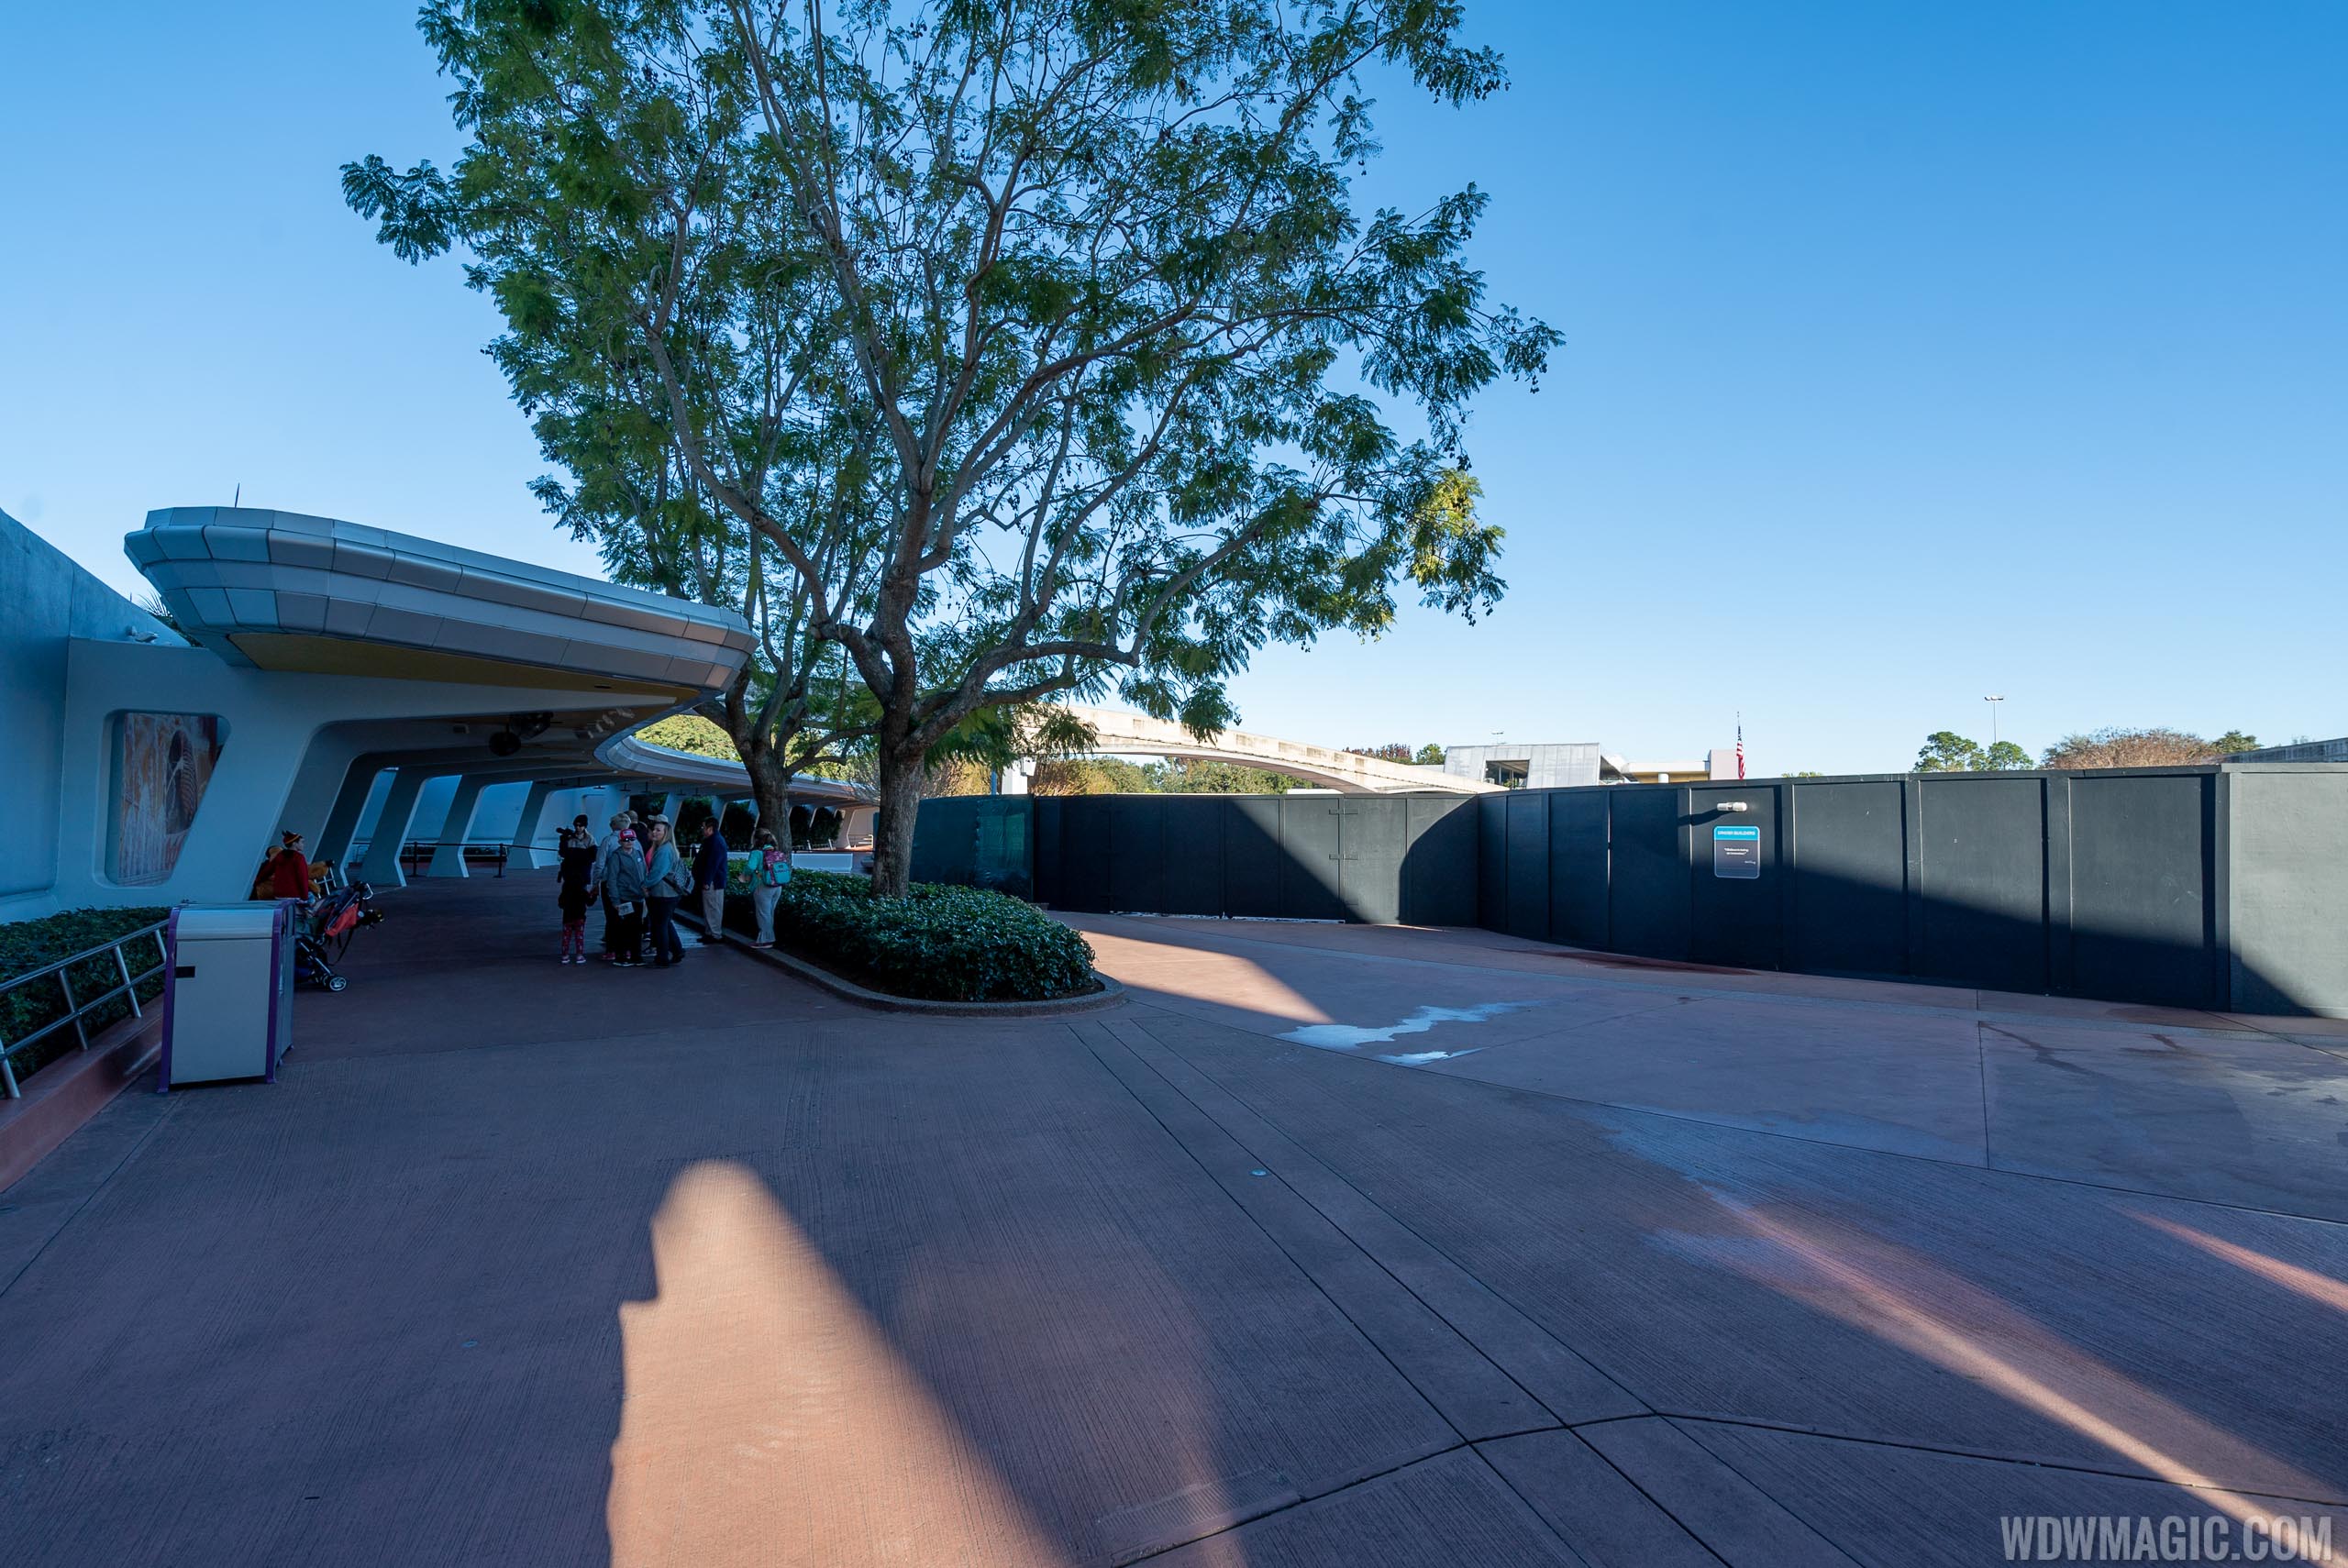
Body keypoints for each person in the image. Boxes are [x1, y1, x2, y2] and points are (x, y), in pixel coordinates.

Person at [640, 817, 690, 968]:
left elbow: (657, 872)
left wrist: (645, 885)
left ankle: (662, 958)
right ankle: (677, 951)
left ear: (665, 833)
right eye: (654, 829)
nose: (654, 832)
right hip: (668, 893)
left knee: (660, 925)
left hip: (663, 893)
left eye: (658, 830)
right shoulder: (667, 848)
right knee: (665, 923)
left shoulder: (663, 850)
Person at [600, 819, 648, 966]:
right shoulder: (616, 856)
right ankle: (621, 956)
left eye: (632, 839)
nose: (629, 842)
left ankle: (636, 956)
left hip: (638, 896)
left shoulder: (638, 853)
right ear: (620, 842)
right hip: (624, 897)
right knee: (624, 927)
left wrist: (645, 889)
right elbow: (612, 879)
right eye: (626, 840)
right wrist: (615, 900)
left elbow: (644, 872)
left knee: (637, 927)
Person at [592, 812, 633, 961]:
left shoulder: (608, 841)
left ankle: (612, 949)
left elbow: (600, 864)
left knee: (612, 916)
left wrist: (595, 883)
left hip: (610, 884)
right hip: (628, 885)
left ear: (614, 825)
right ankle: (627, 949)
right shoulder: (635, 842)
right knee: (626, 915)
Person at [555, 823, 597, 964]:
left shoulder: (589, 839)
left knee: (567, 934)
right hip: (580, 912)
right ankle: (579, 955)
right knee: (579, 935)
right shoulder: (571, 838)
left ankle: (565, 955)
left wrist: (573, 854)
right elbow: (589, 901)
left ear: (585, 826)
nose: (578, 827)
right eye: (576, 825)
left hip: (577, 877)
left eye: (581, 825)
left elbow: (592, 856)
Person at [747, 826, 790, 948]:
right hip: (777, 886)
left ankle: (765, 941)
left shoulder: (756, 852)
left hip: (763, 886)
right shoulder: (775, 851)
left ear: (756, 839)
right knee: (769, 913)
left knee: (763, 914)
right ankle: (768, 938)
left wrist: (750, 874)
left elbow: (750, 867)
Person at [692, 816, 732, 944]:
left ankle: (714, 934)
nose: (702, 830)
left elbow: (713, 863)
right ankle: (710, 932)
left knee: (713, 907)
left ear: (710, 828)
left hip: (713, 881)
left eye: (703, 827)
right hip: (712, 881)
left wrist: (707, 881)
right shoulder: (713, 840)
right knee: (710, 907)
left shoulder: (715, 841)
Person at [269, 831, 312, 900]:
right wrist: (305, 897)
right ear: (294, 843)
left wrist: (255, 882)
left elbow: (268, 870)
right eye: (302, 842)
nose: (303, 844)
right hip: (293, 895)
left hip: (278, 894)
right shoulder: (298, 857)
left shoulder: (280, 855)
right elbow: (302, 878)